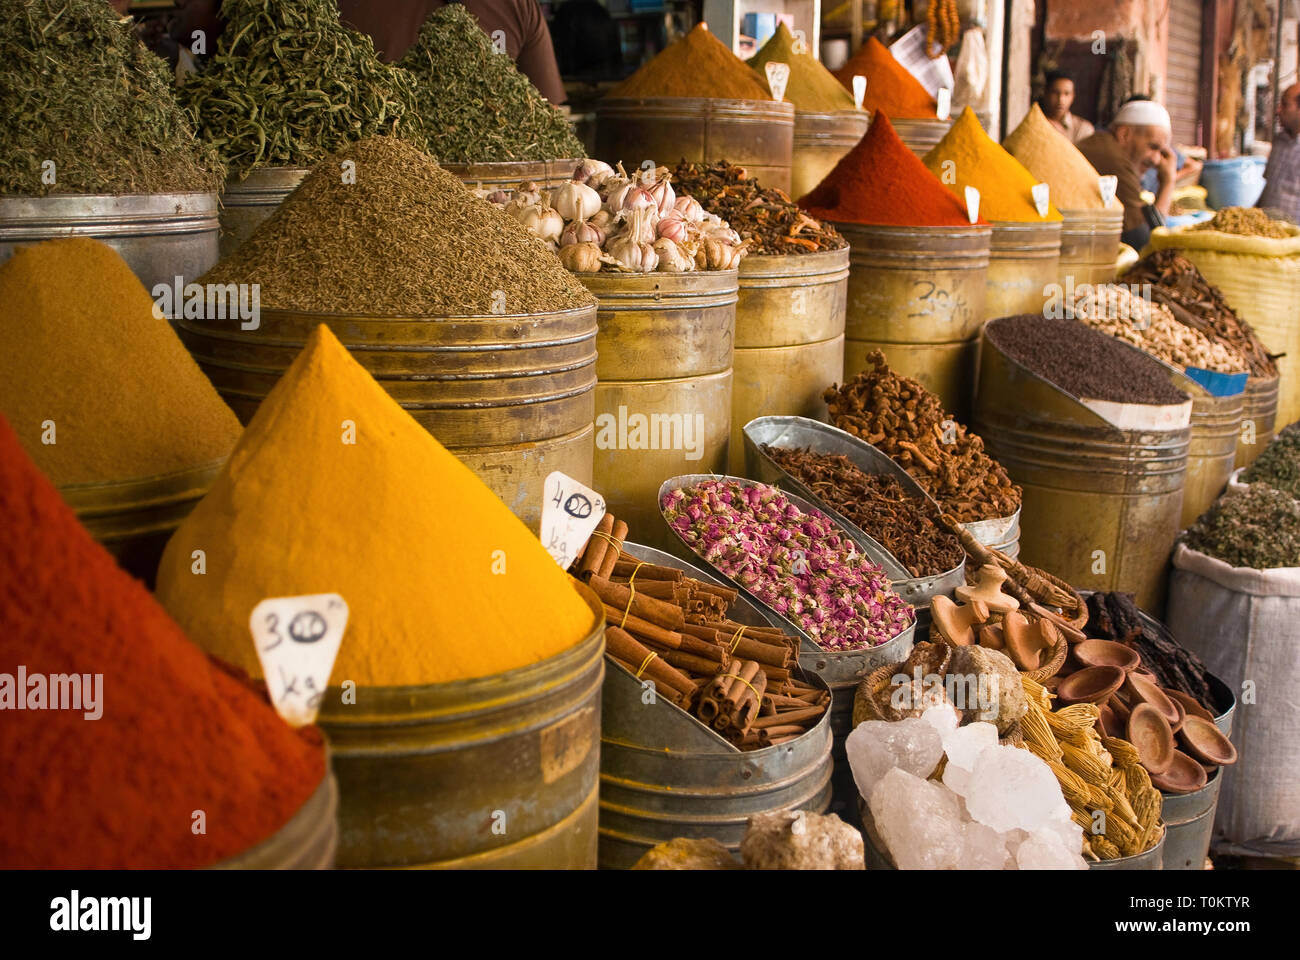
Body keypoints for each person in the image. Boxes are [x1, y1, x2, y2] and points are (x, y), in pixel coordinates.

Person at [178, 0, 567, 104]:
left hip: (336, 206)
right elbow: (553, 125)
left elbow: (193, 34)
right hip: (497, 229)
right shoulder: (516, 6)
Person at [1077, 99, 1178, 249]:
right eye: (1153, 147)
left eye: (1161, 152)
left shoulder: (1104, 145)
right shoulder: (1113, 160)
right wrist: (1168, 182)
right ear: (1124, 134)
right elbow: (1146, 243)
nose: (1157, 160)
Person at [1258, 82, 1300, 224]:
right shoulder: (1279, 141)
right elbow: (1269, 186)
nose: (1278, 110)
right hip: (1267, 230)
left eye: (1285, 105)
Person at [1041, 70, 1095, 145]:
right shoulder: (1036, 125)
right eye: (1055, 93)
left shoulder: (1083, 129)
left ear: (1073, 97)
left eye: (1066, 94)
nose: (1060, 99)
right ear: (1046, 93)